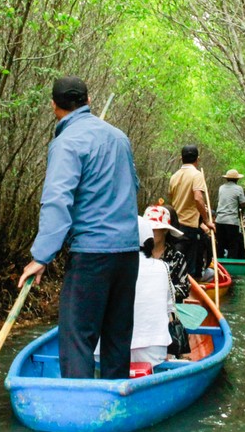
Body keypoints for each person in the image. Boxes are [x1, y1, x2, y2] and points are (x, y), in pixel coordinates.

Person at [18, 76, 140, 379]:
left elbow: (58, 200)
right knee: (117, 337)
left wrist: (42, 257)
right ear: (88, 100)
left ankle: (80, 408)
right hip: (127, 252)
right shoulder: (119, 138)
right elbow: (133, 186)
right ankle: (114, 402)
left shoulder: (66, 143)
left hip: (92, 254)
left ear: (54, 107)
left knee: (76, 339)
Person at [128, 209, 182, 368]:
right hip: (153, 352)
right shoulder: (163, 268)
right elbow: (170, 309)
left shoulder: (106, 266)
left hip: (108, 354)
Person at [168, 145, 214, 282]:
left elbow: (172, 200)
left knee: (177, 261)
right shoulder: (197, 175)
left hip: (175, 225)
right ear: (198, 159)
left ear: (180, 158)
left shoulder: (174, 176)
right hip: (189, 226)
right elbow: (198, 198)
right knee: (190, 266)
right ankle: (191, 293)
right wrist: (206, 221)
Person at [215, 169, 245, 259]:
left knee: (220, 243)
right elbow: (243, 203)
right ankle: (231, 262)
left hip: (219, 220)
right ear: (237, 179)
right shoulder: (238, 188)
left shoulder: (221, 188)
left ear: (227, 179)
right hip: (232, 221)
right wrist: (240, 208)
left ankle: (220, 263)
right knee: (233, 244)